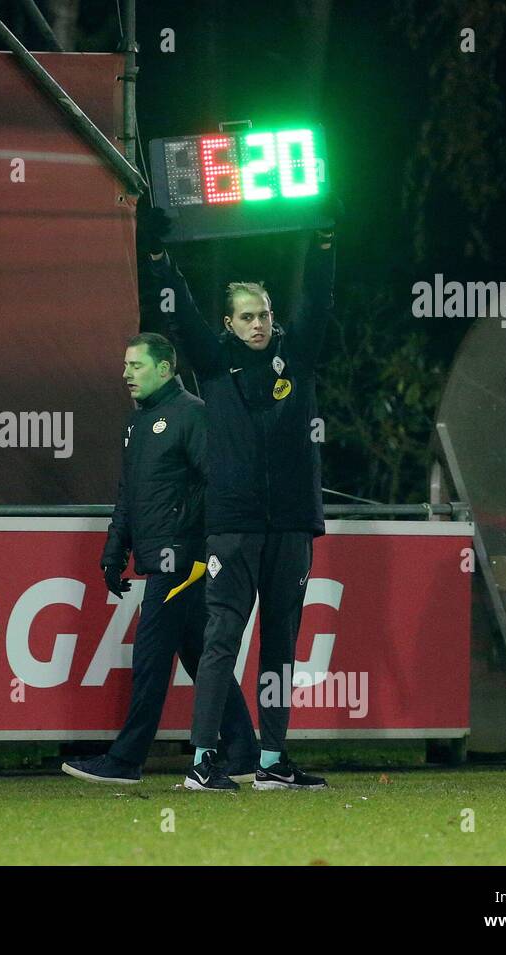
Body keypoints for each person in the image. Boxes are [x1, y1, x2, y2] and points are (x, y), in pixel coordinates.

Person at [140, 209, 336, 792]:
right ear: (228, 324)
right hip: (233, 525)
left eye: (265, 314)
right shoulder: (212, 357)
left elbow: (319, 301)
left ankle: (272, 761)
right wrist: (159, 262)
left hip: (292, 524)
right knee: (222, 639)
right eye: (247, 317)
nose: (258, 324)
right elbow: (179, 314)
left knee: (281, 644)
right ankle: (204, 761)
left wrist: (323, 242)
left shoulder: (295, 356)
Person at [62, 333, 258, 786]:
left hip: (183, 561)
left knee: (151, 657)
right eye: (126, 364)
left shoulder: (192, 415)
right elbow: (128, 494)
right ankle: (245, 753)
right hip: (159, 558)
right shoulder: (139, 422)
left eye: (137, 365)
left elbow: (219, 484)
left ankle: (127, 759)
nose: (127, 373)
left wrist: (196, 542)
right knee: (195, 654)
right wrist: (115, 551)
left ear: (165, 369)